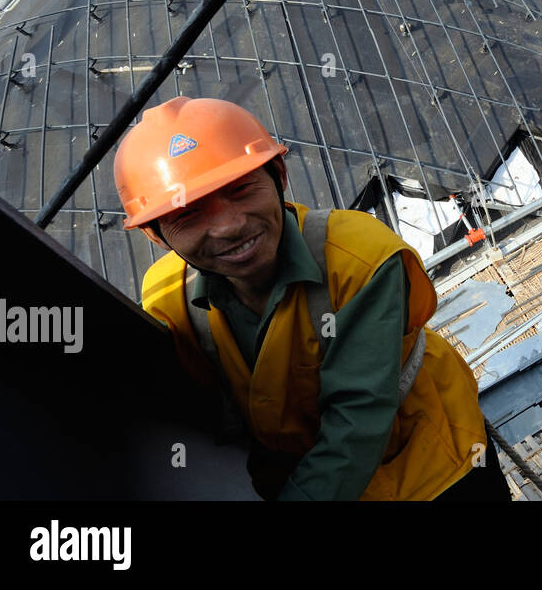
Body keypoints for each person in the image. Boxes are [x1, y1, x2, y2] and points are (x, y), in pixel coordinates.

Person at [115, 96, 509, 501]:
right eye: (188, 215)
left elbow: (356, 422)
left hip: (436, 468)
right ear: (155, 235)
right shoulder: (170, 300)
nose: (229, 226)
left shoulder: (360, 260)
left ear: (280, 175)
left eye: (241, 191)